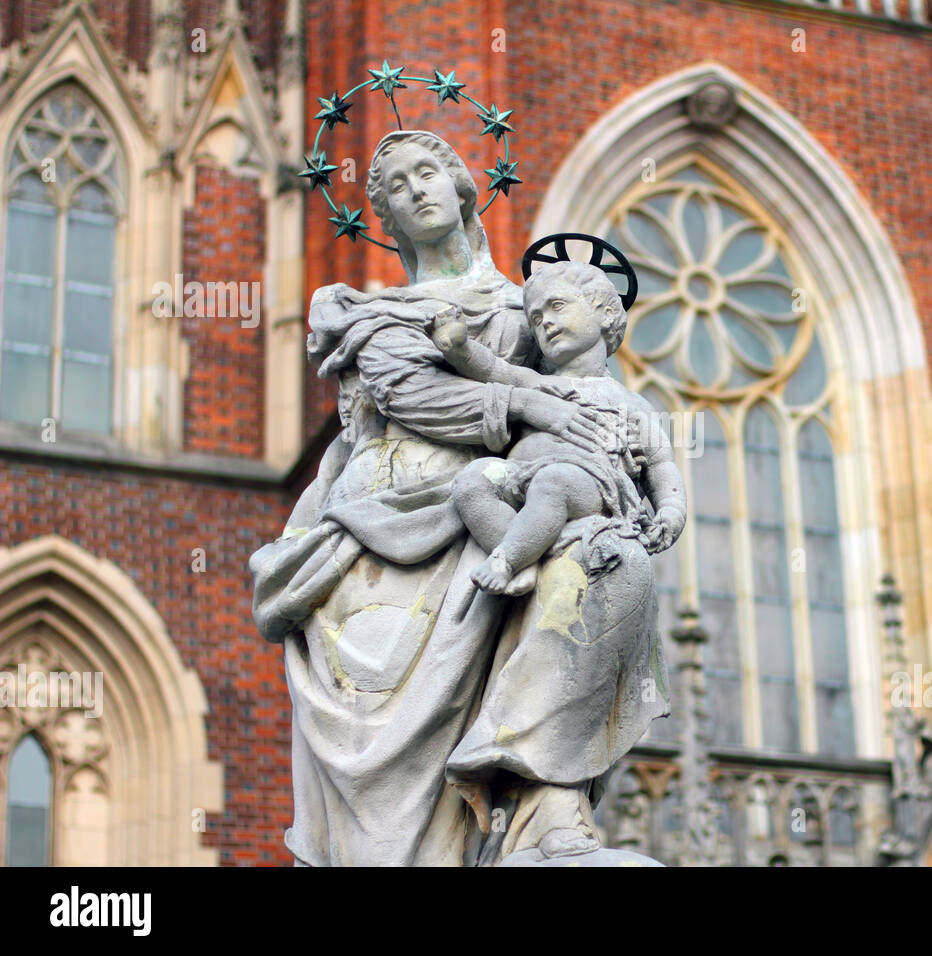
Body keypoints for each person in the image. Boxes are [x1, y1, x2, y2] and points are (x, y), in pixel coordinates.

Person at [250, 130, 671, 865]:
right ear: (385, 219)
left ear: (464, 186)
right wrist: (529, 410)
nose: (417, 190)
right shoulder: (374, 316)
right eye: (396, 188)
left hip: (502, 504)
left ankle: (547, 812)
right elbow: (413, 395)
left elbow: (585, 385)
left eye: (429, 172)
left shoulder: (530, 307)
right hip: (381, 523)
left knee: (607, 564)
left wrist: (631, 444)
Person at [432, 260, 686, 598]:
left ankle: (507, 561)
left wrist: (670, 514)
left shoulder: (632, 404)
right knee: (472, 481)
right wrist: (459, 348)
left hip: (591, 482)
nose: (546, 322)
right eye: (536, 319)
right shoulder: (539, 383)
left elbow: (662, 468)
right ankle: (525, 557)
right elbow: (493, 369)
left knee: (554, 483)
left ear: (605, 314)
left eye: (557, 306)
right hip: (523, 474)